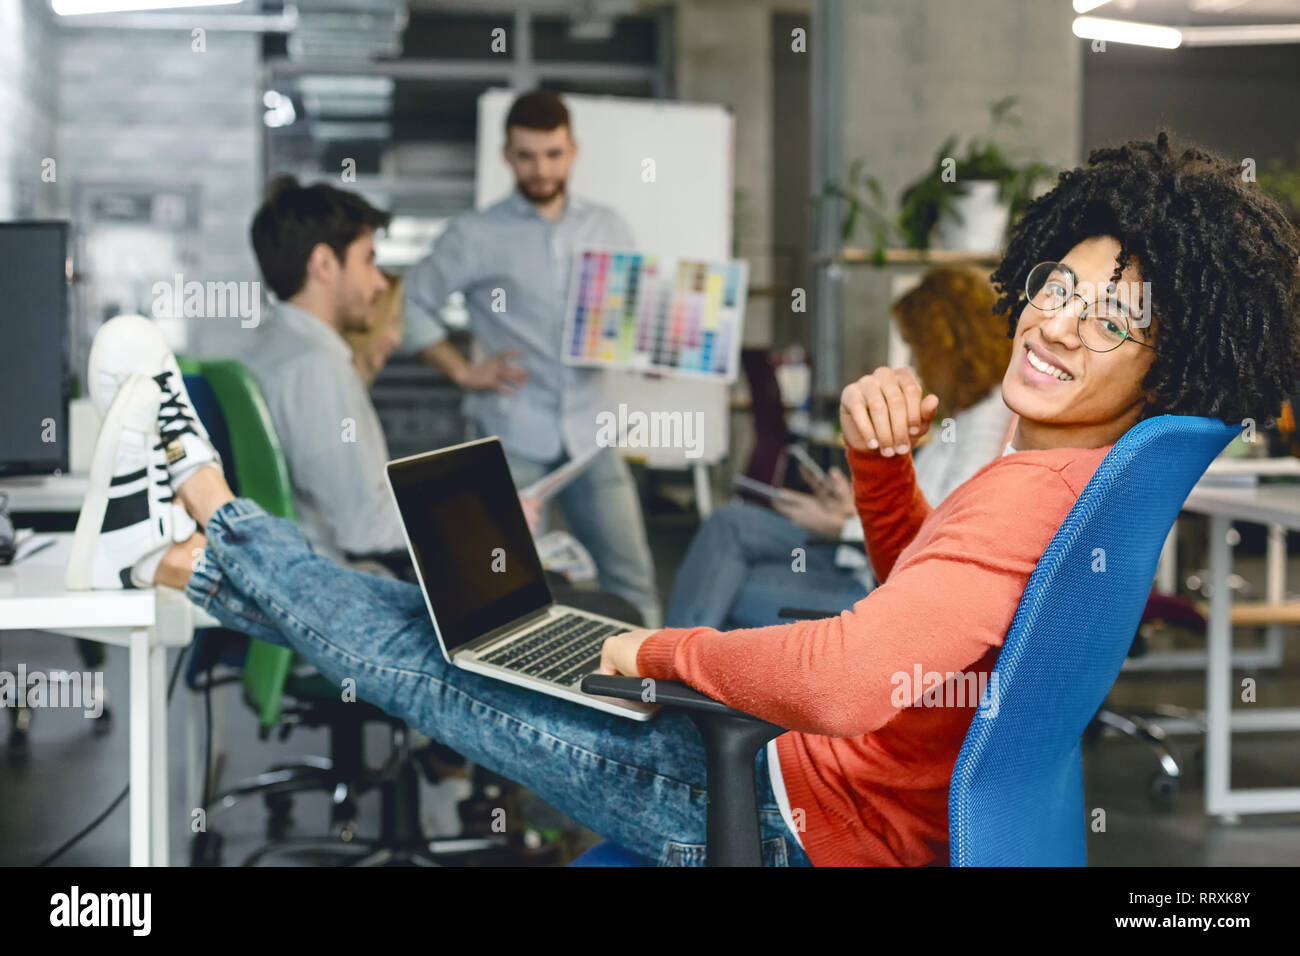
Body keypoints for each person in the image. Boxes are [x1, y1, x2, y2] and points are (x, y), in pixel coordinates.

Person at [68, 134, 1300, 866]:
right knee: (462, 626)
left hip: (780, 812)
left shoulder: (1037, 488)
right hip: (840, 795)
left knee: (431, 650)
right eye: (1059, 284)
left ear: (1167, 362)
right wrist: (881, 476)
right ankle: (188, 534)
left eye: (1115, 316)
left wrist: (639, 646)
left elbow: (844, 678)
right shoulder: (1082, 485)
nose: (1057, 320)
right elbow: (938, 629)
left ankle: (199, 509)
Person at [402, 89, 660, 628]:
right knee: (508, 584)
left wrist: (649, 347)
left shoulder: (608, 226)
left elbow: (634, 312)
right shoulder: (474, 234)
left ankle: (653, 699)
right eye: (526, 156)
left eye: (552, 154)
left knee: (631, 577)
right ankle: (520, 704)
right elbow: (407, 304)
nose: (541, 169)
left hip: (592, 434)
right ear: (506, 155)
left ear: (573, 151)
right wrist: (462, 371)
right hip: (513, 432)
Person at [666, 267, 1015, 629]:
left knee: (721, 584)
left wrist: (844, 525)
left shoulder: (989, 421)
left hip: (874, 584)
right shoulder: (966, 413)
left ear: (945, 347)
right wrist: (854, 507)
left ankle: (661, 669)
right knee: (729, 524)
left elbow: (937, 540)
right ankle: (667, 661)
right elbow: (921, 507)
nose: (914, 366)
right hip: (862, 554)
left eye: (916, 350)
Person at [242, 177, 406, 566]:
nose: (380, 282)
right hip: (341, 595)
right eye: (368, 259)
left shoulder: (267, 353)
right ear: (324, 265)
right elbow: (367, 529)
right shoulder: (316, 366)